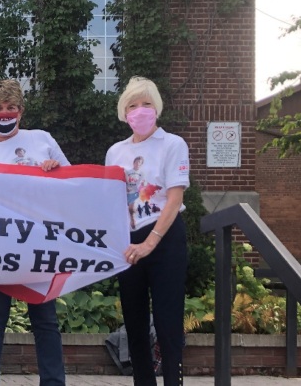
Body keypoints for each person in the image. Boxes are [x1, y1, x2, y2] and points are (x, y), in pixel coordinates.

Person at [0, 79, 68, 386]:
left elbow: (73, 186)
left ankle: (53, 383)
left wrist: (55, 171)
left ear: (21, 111)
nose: (4, 113)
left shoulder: (43, 140)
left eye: (10, 107)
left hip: (37, 246)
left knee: (45, 320)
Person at [105, 76, 189, 386]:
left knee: (168, 323)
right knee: (134, 324)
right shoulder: (115, 152)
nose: (140, 110)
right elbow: (109, 199)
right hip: (129, 242)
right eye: (133, 105)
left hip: (164, 238)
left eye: (147, 104)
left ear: (157, 108)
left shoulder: (172, 144)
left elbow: (175, 197)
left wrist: (152, 242)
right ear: (123, 111)